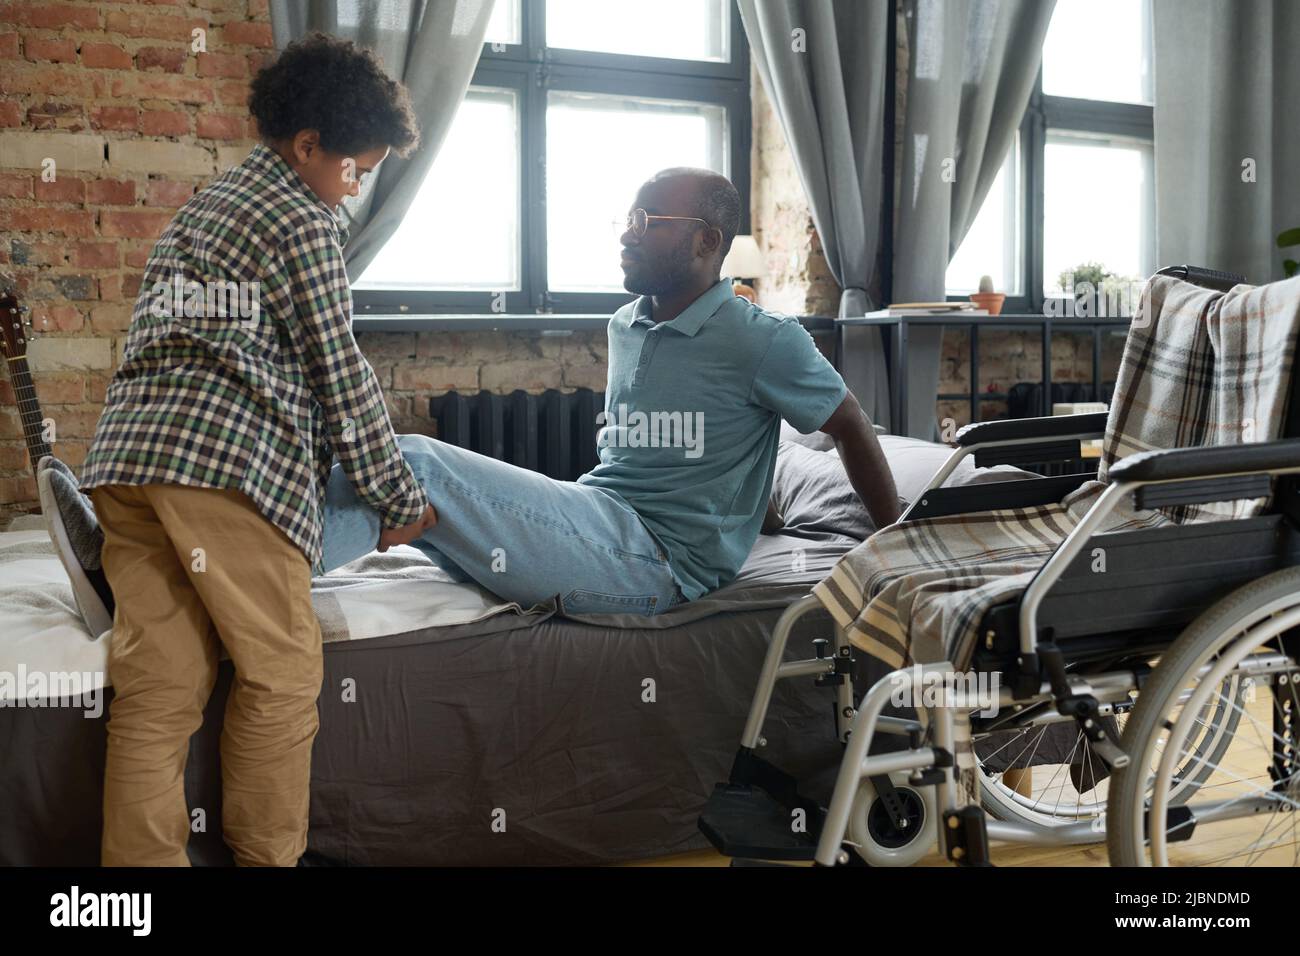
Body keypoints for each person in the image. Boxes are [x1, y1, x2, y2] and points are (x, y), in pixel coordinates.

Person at [77, 33, 436, 866]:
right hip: (223, 473)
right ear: (308, 146)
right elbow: (338, 369)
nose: (355, 190)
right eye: (357, 168)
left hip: (129, 464)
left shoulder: (206, 207)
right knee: (282, 677)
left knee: (157, 693)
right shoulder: (299, 221)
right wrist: (395, 494)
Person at [318, 167, 900, 611]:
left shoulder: (764, 339)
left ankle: (274, 578)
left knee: (413, 463)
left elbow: (848, 422)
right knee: (402, 482)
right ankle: (272, 560)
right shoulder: (626, 323)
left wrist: (894, 541)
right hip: (598, 515)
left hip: (654, 563)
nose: (628, 233)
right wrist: (756, 512)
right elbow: (717, 451)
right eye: (629, 217)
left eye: (649, 221)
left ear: (705, 241)